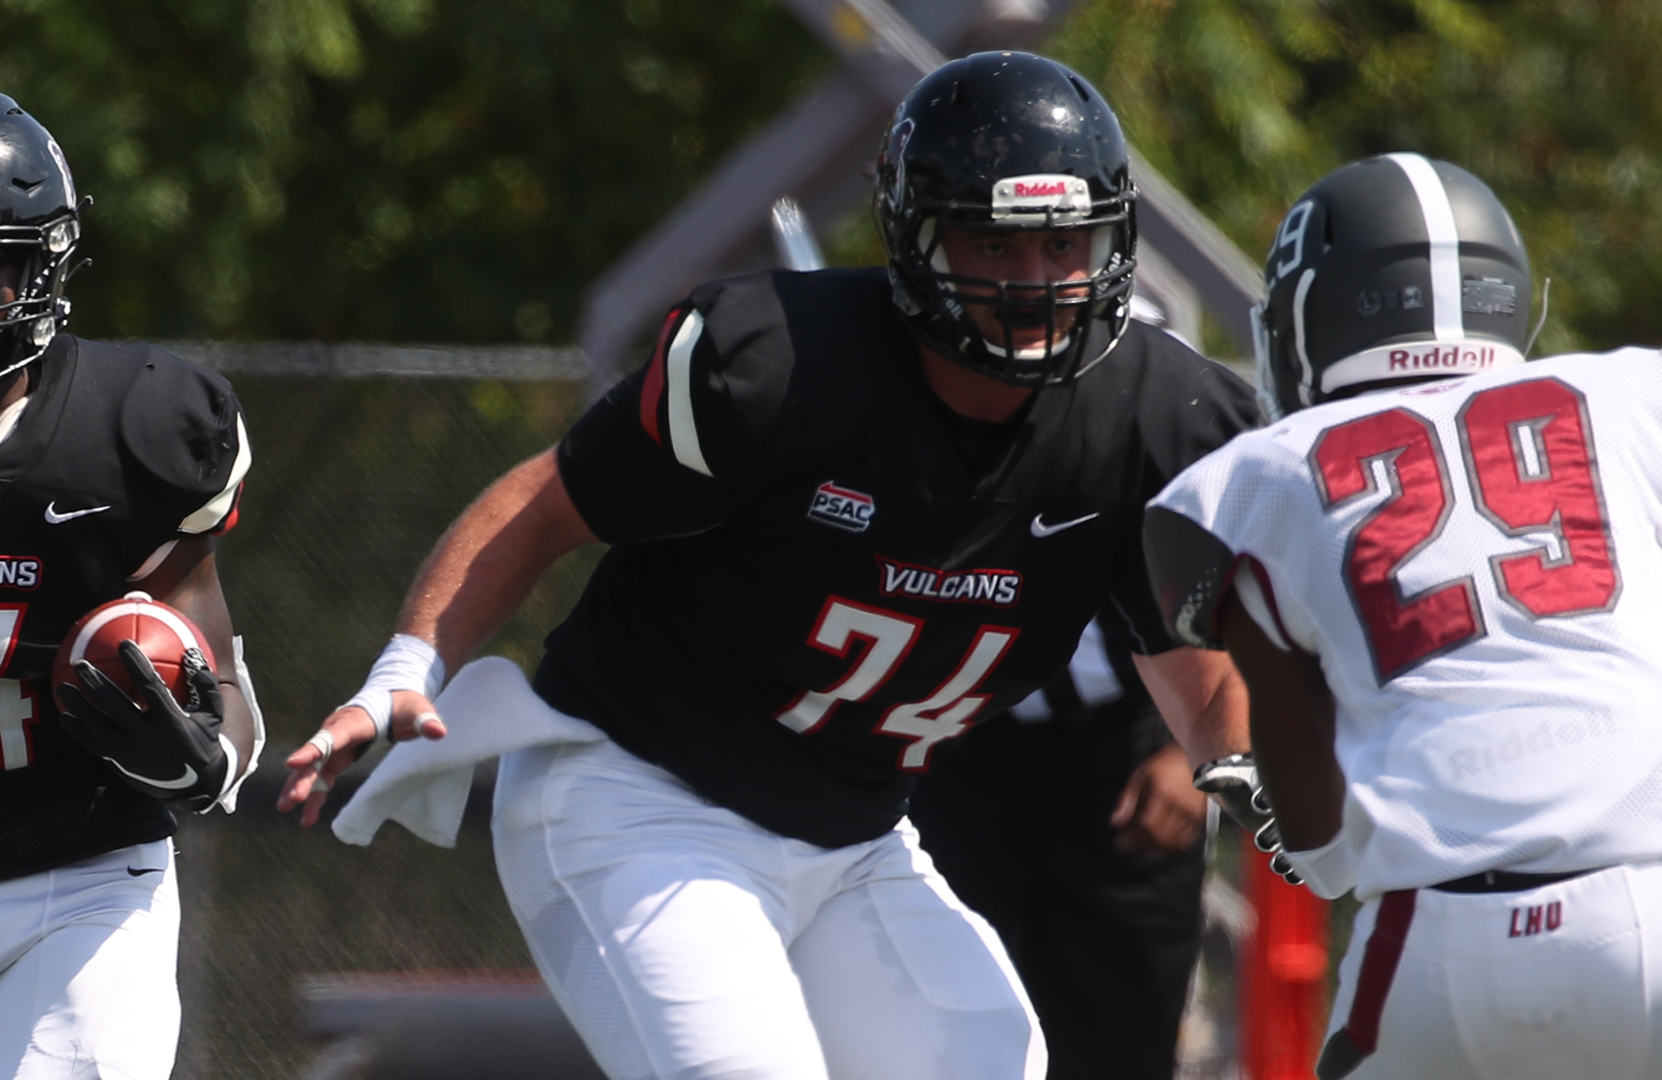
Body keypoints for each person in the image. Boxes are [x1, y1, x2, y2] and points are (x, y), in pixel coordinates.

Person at [281, 51, 1255, 1080]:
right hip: (639, 799)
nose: (1029, 282)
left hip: (856, 837)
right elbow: (542, 504)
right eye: (990, 241)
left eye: (1063, 243)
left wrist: (1259, 769)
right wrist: (404, 667)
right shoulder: (783, 370)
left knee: (989, 1061)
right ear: (914, 237)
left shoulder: (1157, 419)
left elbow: (1191, 655)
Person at [1147, 152, 1662, 1080]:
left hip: (1426, 940)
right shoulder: (1631, 399)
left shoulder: (1257, 483)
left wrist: (1334, 860)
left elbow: (1308, 796)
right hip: (1659, 903)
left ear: (1309, 315)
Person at [0, 88, 262, 1080]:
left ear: (40, 263)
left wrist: (206, 760)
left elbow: (218, 675)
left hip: (75, 881)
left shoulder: (139, 429)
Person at [909, 615, 1209, 1080]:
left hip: (1130, 739)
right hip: (942, 737)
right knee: (937, 1010)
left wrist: (1195, 748)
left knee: (1122, 1023)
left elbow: (1239, 578)